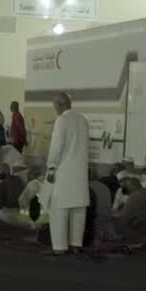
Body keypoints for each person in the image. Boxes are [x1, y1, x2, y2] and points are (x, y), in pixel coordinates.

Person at [45, 92, 90, 254]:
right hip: (80, 174)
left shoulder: (62, 120)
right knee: (78, 209)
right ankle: (76, 244)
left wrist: (51, 167)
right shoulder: (83, 120)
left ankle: (60, 247)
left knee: (59, 211)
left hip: (63, 173)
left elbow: (57, 147)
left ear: (59, 105)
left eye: (54, 106)